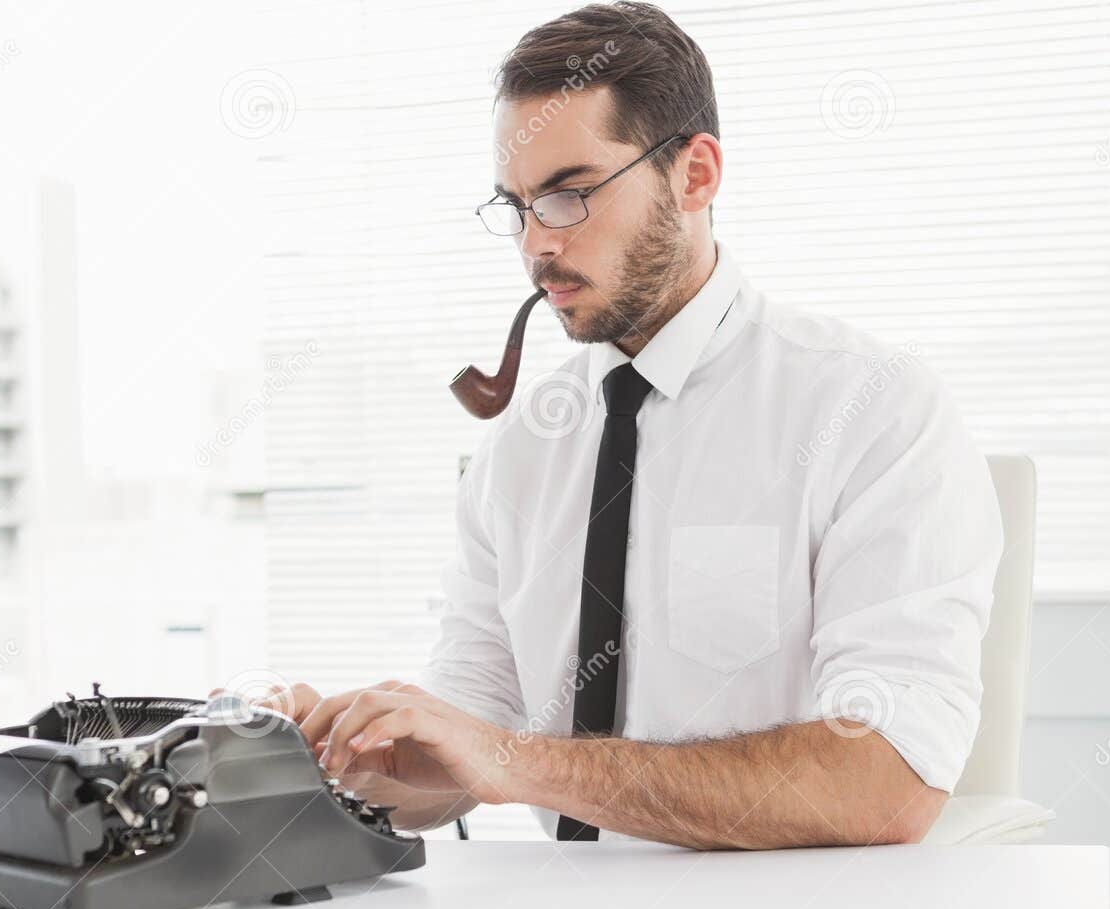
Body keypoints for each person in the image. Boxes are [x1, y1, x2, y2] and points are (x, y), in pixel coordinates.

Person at [246, 1, 1001, 848]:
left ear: (695, 175)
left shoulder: (872, 411)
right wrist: (348, 757)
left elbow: (887, 780)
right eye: (517, 205)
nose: (535, 245)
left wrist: (519, 763)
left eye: (568, 195)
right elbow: (466, 739)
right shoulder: (518, 451)